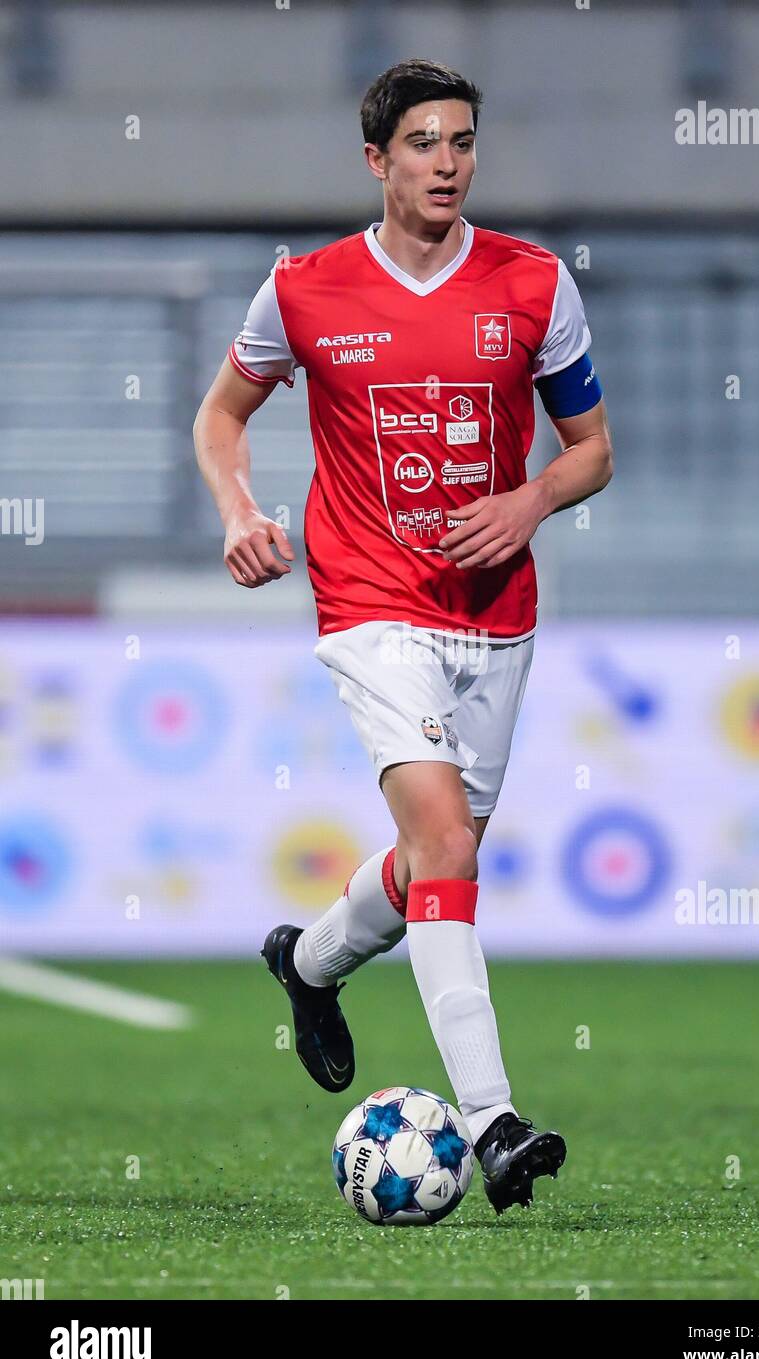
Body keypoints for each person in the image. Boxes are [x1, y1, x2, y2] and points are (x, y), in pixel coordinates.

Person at [193, 58, 613, 1214]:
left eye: (463, 142)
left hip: (496, 613)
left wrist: (528, 500)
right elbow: (222, 414)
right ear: (376, 159)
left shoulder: (532, 283)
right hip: (369, 595)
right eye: (424, 143)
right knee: (441, 833)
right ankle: (492, 1124)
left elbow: (591, 448)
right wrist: (239, 511)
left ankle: (312, 959)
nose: (448, 162)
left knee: (446, 856)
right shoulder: (305, 290)